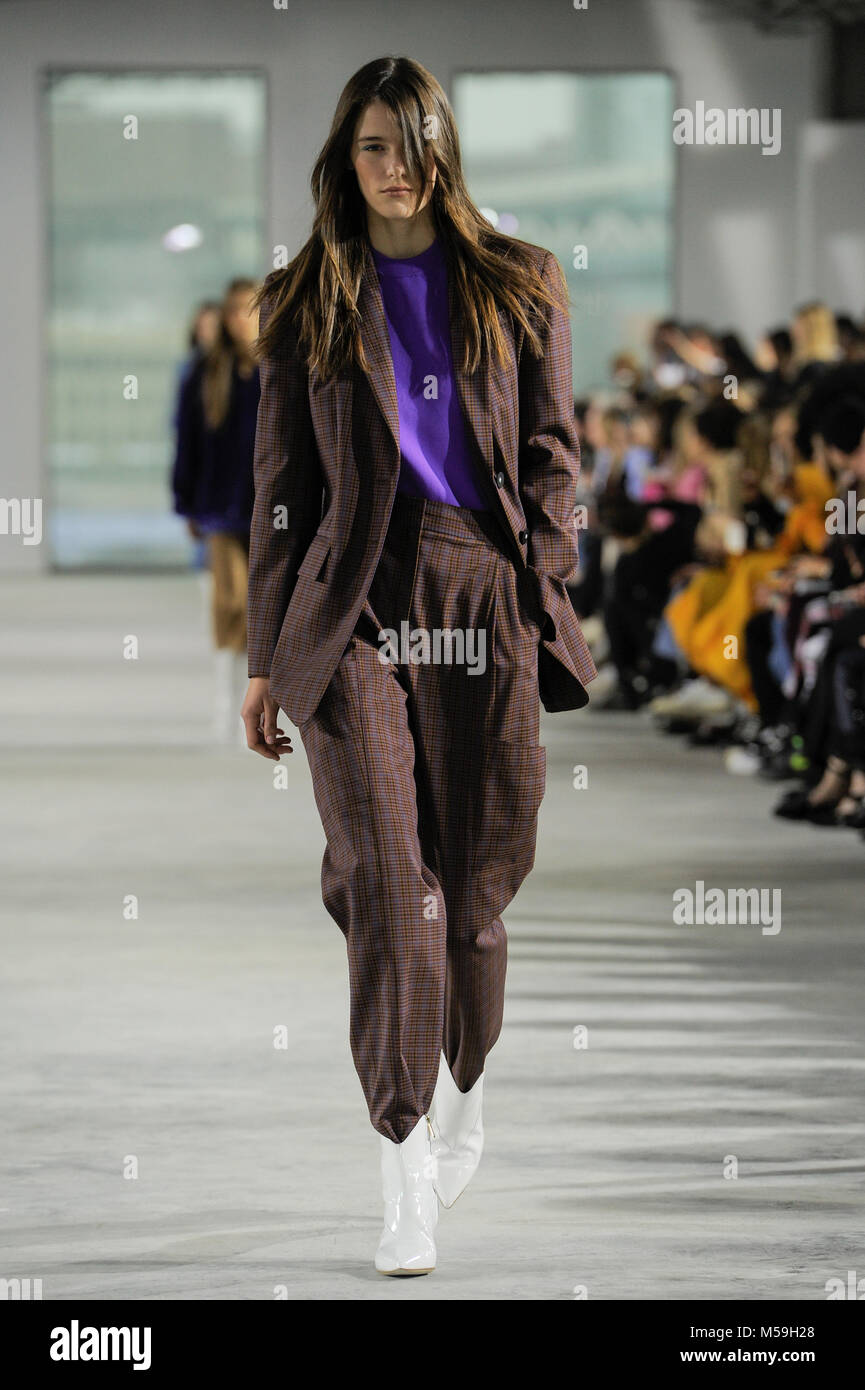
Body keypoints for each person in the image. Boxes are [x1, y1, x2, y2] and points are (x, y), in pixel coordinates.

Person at [241, 54, 596, 1277]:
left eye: (414, 142)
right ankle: (401, 1173)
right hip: (351, 605)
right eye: (373, 148)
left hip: (482, 591)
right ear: (345, 160)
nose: (396, 169)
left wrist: (541, 570)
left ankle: (466, 1083)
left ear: (445, 148)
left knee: (477, 888)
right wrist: (262, 654)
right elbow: (282, 491)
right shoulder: (301, 296)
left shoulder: (519, 279)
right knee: (391, 881)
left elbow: (555, 446)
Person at [172, 278, 261, 741]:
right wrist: (186, 503)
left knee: (264, 608)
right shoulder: (207, 373)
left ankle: (256, 702)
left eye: (250, 310)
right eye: (235, 312)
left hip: (271, 511)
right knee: (229, 602)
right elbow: (187, 441)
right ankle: (225, 704)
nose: (242, 321)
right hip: (222, 509)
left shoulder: (282, 369)